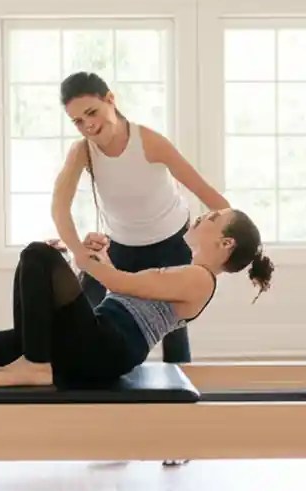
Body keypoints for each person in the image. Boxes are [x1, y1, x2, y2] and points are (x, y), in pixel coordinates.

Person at [0, 208, 275, 389]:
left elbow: (121, 284)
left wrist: (84, 256)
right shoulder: (187, 270)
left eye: (212, 217)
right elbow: (113, 286)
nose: (202, 216)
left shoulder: (200, 279)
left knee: (38, 255)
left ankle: (35, 363)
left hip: (109, 347)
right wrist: (94, 259)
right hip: (96, 337)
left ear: (226, 244)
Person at [50, 71, 231, 365]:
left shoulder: (149, 142)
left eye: (92, 112)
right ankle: (71, 374)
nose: (88, 125)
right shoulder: (82, 151)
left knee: (173, 329)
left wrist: (242, 241)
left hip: (171, 244)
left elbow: (205, 192)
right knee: (84, 308)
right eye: (78, 121)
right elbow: (59, 207)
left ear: (111, 99)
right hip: (121, 245)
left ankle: (181, 388)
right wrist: (79, 252)